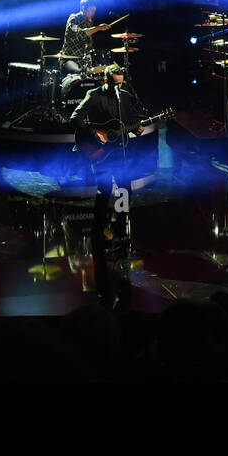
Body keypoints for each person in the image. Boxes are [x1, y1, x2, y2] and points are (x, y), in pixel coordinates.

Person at [70, 64, 146, 308]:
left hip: (122, 153)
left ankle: (120, 231)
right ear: (106, 80)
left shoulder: (126, 95)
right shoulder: (94, 96)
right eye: (115, 83)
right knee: (104, 193)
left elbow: (134, 117)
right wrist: (96, 133)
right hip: (102, 154)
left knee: (125, 190)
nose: (119, 86)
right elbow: (75, 117)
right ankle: (97, 233)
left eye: (121, 82)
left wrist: (139, 126)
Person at [61, 0, 109, 69]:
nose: (93, 13)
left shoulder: (89, 22)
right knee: (80, 73)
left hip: (83, 62)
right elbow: (81, 34)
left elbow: (88, 43)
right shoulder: (73, 18)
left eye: (94, 11)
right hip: (69, 60)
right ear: (83, 8)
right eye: (91, 10)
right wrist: (98, 28)